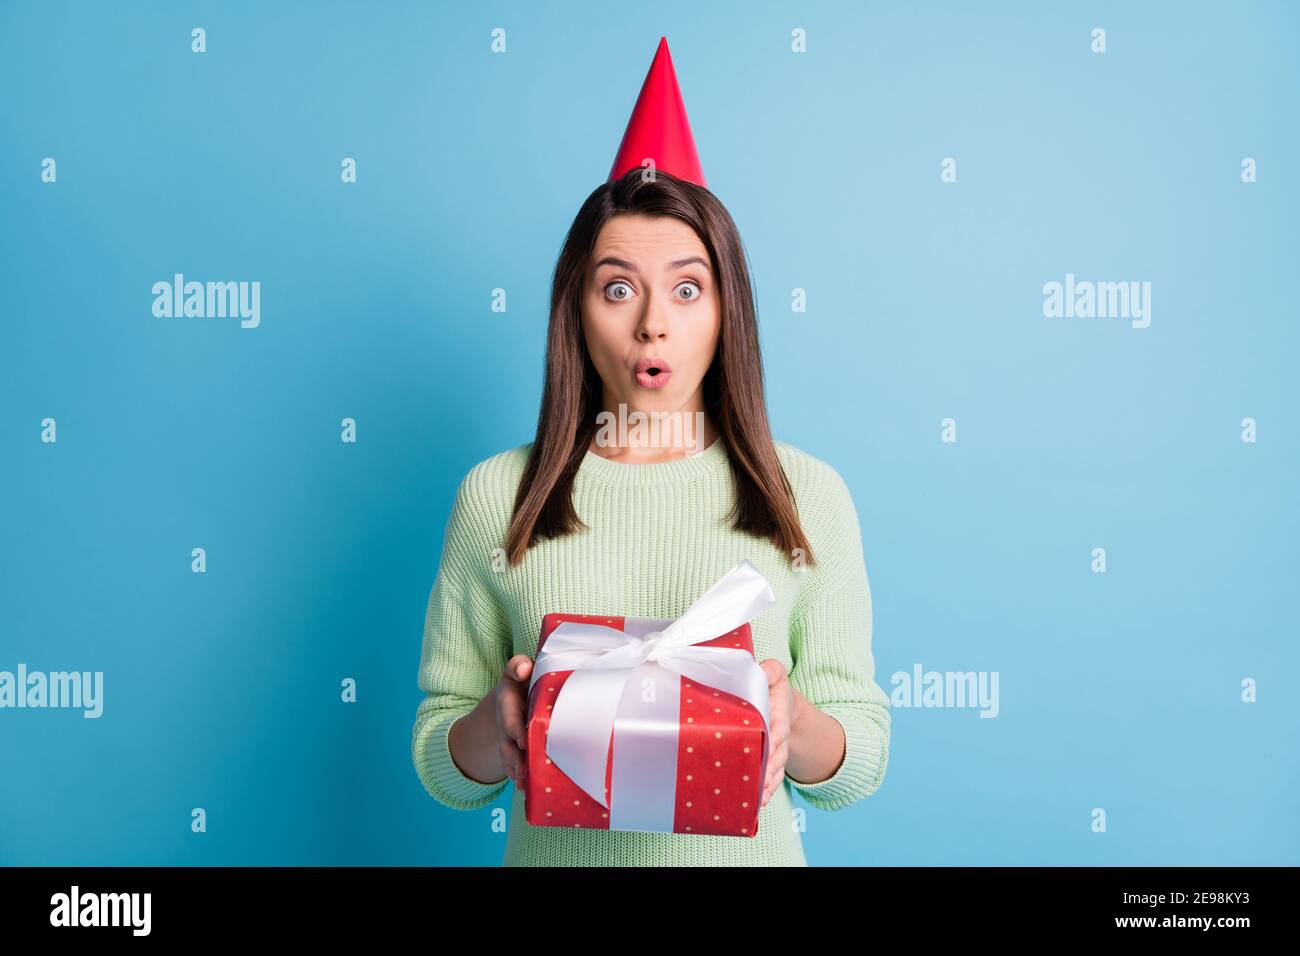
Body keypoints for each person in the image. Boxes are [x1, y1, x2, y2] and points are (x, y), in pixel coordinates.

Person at [411, 36, 890, 866]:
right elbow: (440, 765)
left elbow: (858, 763)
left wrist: (793, 726)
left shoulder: (806, 494)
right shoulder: (499, 494)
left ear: (725, 310)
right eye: (619, 287)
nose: (653, 323)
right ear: (577, 310)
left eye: (688, 286)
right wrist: (497, 729)